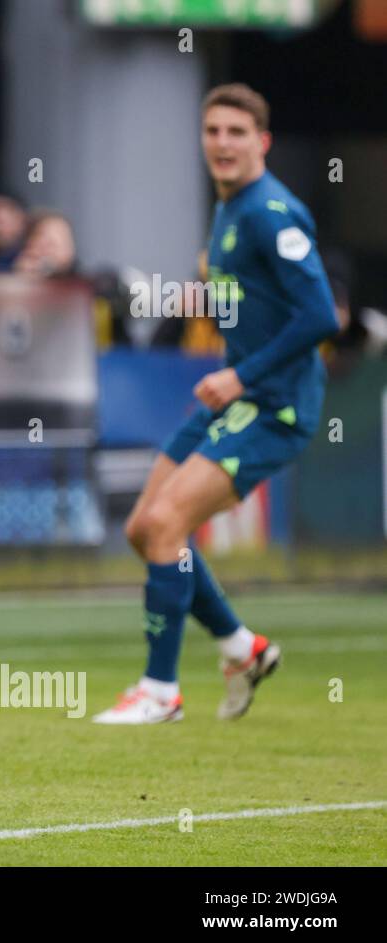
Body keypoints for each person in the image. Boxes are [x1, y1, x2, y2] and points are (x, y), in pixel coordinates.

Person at [94, 84, 340, 725]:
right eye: (213, 131)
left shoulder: (270, 213)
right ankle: (242, 647)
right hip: (241, 395)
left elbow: (319, 315)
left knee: (168, 524)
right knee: (145, 527)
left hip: (276, 404)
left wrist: (241, 376)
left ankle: (160, 691)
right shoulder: (228, 209)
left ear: (262, 141)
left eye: (237, 132)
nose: (223, 143)